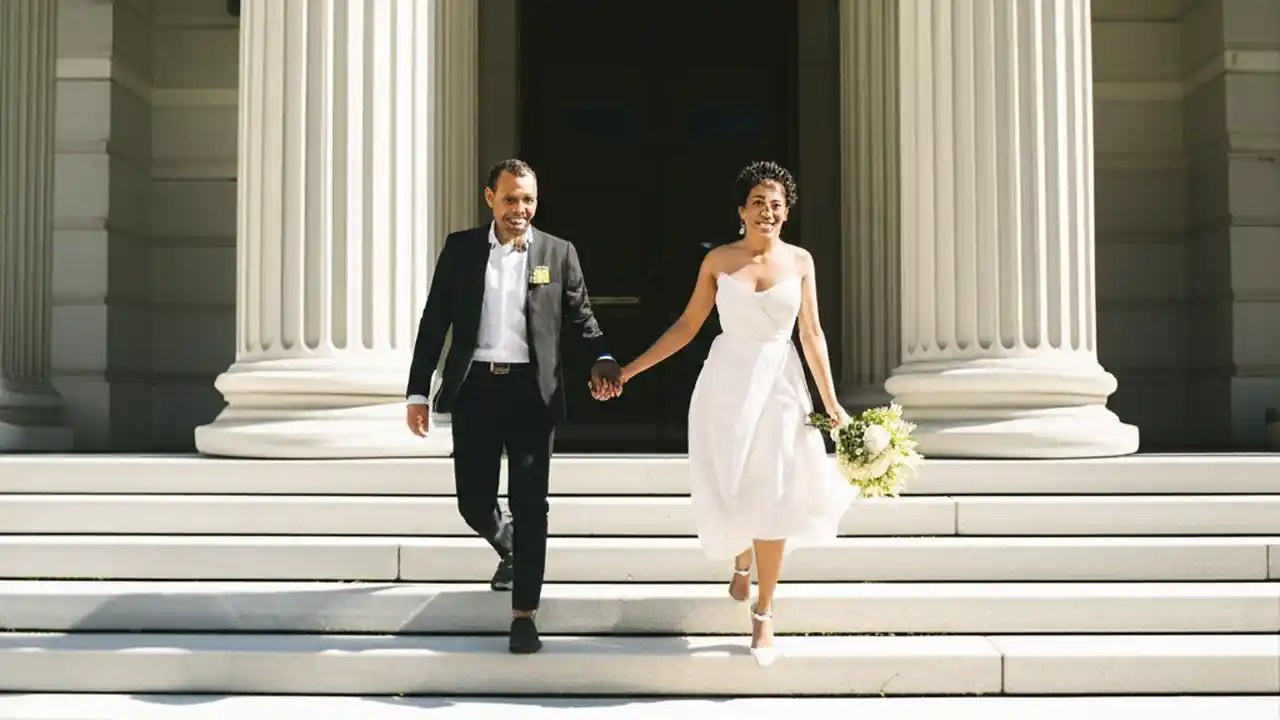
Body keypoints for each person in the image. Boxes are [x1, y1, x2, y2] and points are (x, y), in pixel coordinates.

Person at [618, 161, 855, 667]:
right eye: (758, 203)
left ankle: (764, 612)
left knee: (773, 488)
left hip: (782, 383)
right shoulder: (718, 262)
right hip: (726, 382)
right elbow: (687, 326)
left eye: (776, 205)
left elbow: (811, 334)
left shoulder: (801, 262)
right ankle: (740, 558)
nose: (767, 212)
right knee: (733, 484)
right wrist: (632, 369)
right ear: (741, 210)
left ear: (787, 212)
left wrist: (831, 402)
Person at [405, 159, 621, 654]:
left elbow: (582, 318)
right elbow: (434, 322)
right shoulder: (460, 250)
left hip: (530, 394)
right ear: (490, 199)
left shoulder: (557, 253)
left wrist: (604, 358)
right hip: (476, 390)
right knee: (472, 501)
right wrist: (418, 391)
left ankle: (524, 614)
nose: (519, 209)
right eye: (509, 199)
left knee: (531, 505)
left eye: (527, 200)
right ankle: (512, 552)